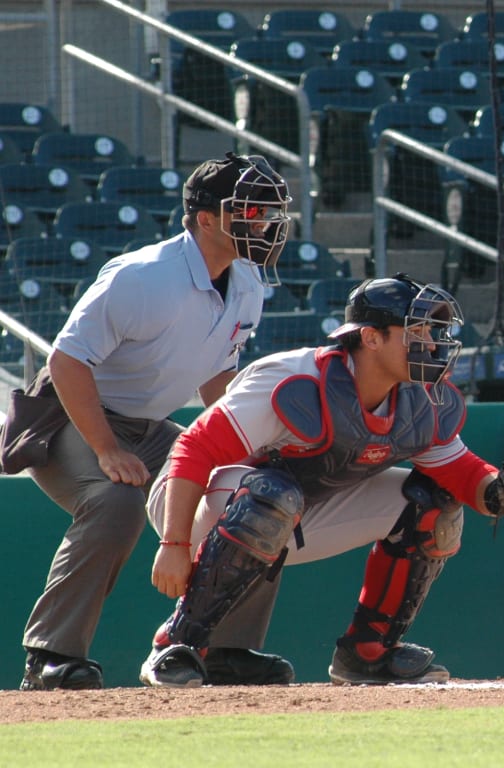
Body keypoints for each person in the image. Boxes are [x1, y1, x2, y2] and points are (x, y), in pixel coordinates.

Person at [136, 274, 504, 687]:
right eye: (417, 333)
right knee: (271, 494)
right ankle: (177, 643)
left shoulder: (419, 398)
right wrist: (174, 544)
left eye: (434, 333)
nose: (432, 344)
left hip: (293, 510)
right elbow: (193, 449)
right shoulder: (296, 379)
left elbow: (464, 476)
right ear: (371, 338)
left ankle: (368, 653)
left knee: (434, 504)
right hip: (199, 502)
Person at [5, 153, 292, 691]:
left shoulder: (247, 280)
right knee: (114, 501)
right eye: (250, 210)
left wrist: (245, 443)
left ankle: (227, 649)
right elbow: (67, 362)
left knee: (257, 492)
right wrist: (108, 447)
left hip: (150, 425)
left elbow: (218, 376)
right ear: (206, 219)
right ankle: (50, 656)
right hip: (70, 417)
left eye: (267, 211)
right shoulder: (143, 276)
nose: (265, 223)